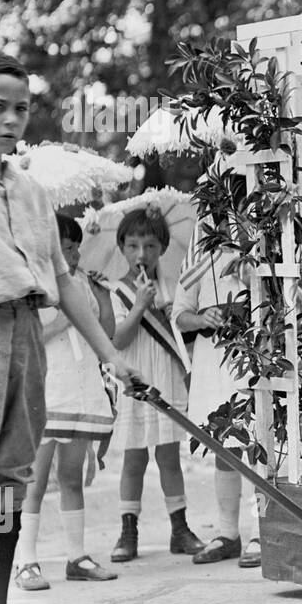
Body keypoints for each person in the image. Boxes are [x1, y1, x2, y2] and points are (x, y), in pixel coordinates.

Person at [0, 53, 138, 604]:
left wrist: (112, 356)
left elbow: (64, 281)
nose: (12, 119)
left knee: (6, 483)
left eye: (21, 108)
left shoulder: (29, 189)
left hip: (25, 336)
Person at [13, 215, 119, 590]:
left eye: (75, 247)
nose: (73, 254)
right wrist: (65, 317)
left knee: (72, 476)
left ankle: (77, 556)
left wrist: (102, 300)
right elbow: (30, 338)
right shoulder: (30, 285)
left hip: (80, 388)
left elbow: (104, 336)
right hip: (47, 389)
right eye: (66, 247)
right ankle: (25, 560)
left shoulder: (82, 284)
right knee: (35, 481)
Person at [105, 206, 204, 561]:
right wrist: (139, 306)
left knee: (168, 456)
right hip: (137, 378)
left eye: (149, 246)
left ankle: (179, 528)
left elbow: (182, 337)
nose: (141, 254)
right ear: (121, 248)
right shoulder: (115, 291)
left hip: (166, 375)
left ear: (161, 248)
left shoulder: (172, 286)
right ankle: (127, 530)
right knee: (134, 458)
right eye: (132, 246)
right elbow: (117, 339)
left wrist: (164, 308)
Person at [173, 205, 262, 565]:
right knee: (225, 443)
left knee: (258, 439)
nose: (227, 222)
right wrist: (201, 316)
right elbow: (179, 314)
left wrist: (249, 279)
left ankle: (262, 531)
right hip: (213, 359)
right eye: (221, 216)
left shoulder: (258, 253)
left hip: (252, 355)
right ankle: (228, 533)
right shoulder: (200, 259)